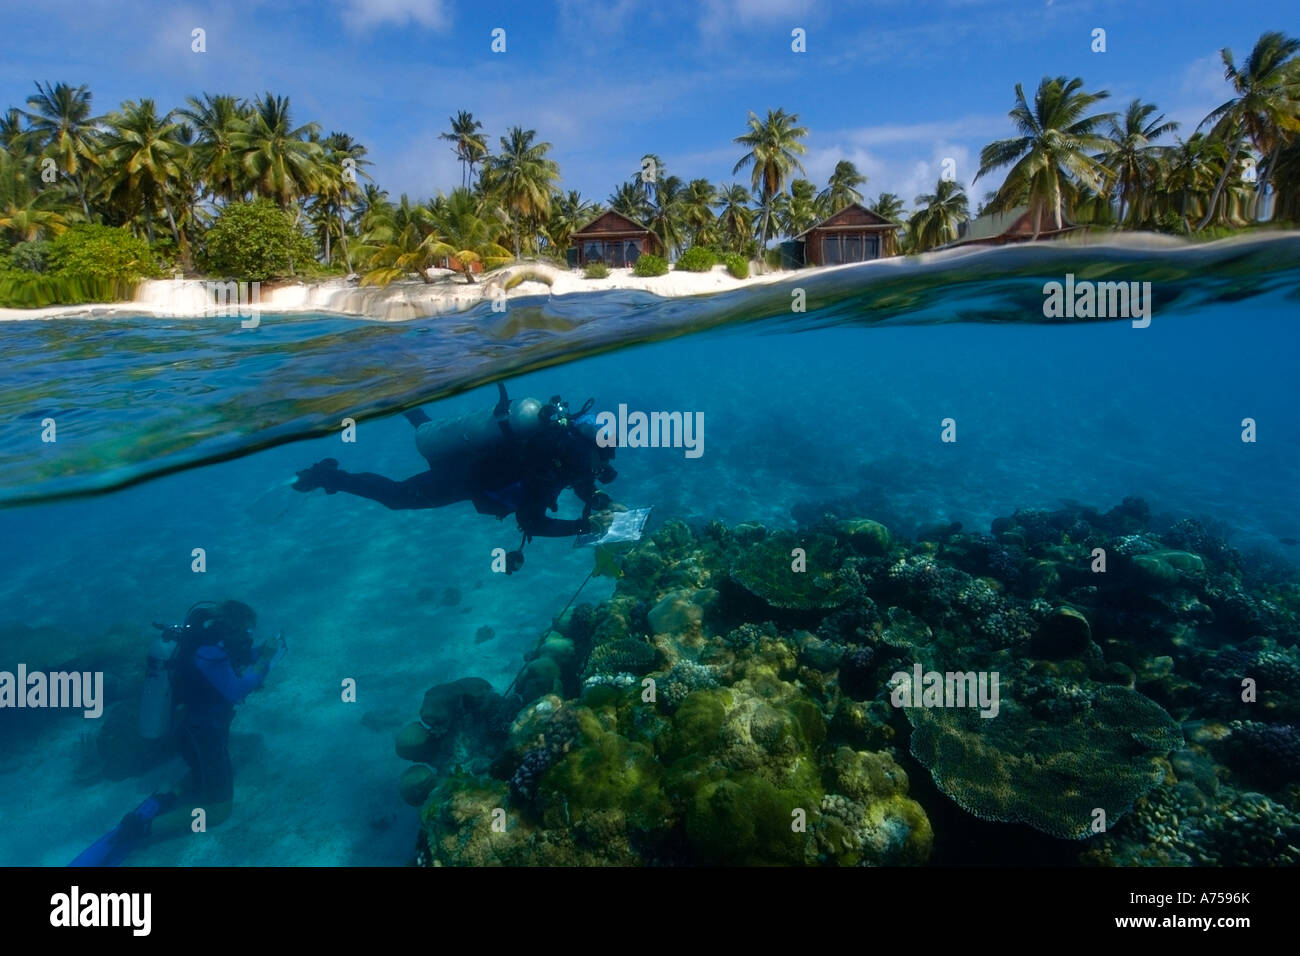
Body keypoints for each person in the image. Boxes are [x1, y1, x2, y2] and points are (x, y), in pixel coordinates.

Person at [292, 385, 622, 573]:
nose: (597, 472)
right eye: (598, 462)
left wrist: (597, 499)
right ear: (584, 450)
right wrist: (582, 527)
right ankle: (328, 474)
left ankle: (405, 403)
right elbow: (532, 522)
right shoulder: (549, 466)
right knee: (396, 497)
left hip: (471, 463)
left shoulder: (562, 449)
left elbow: (580, 479)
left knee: (430, 441)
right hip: (466, 478)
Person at [73, 601, 281, 865]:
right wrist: (264, 663)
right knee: (219, 810)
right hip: (205, 733)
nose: (249, 636)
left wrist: (255, 653)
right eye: (248, 632)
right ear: (232, 630)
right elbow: (236, 690)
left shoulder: (206, 642)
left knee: (199, 773)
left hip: (189, 729)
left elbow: (229, 662)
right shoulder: (210, 655)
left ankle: (168, 795)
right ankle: (140, 830)